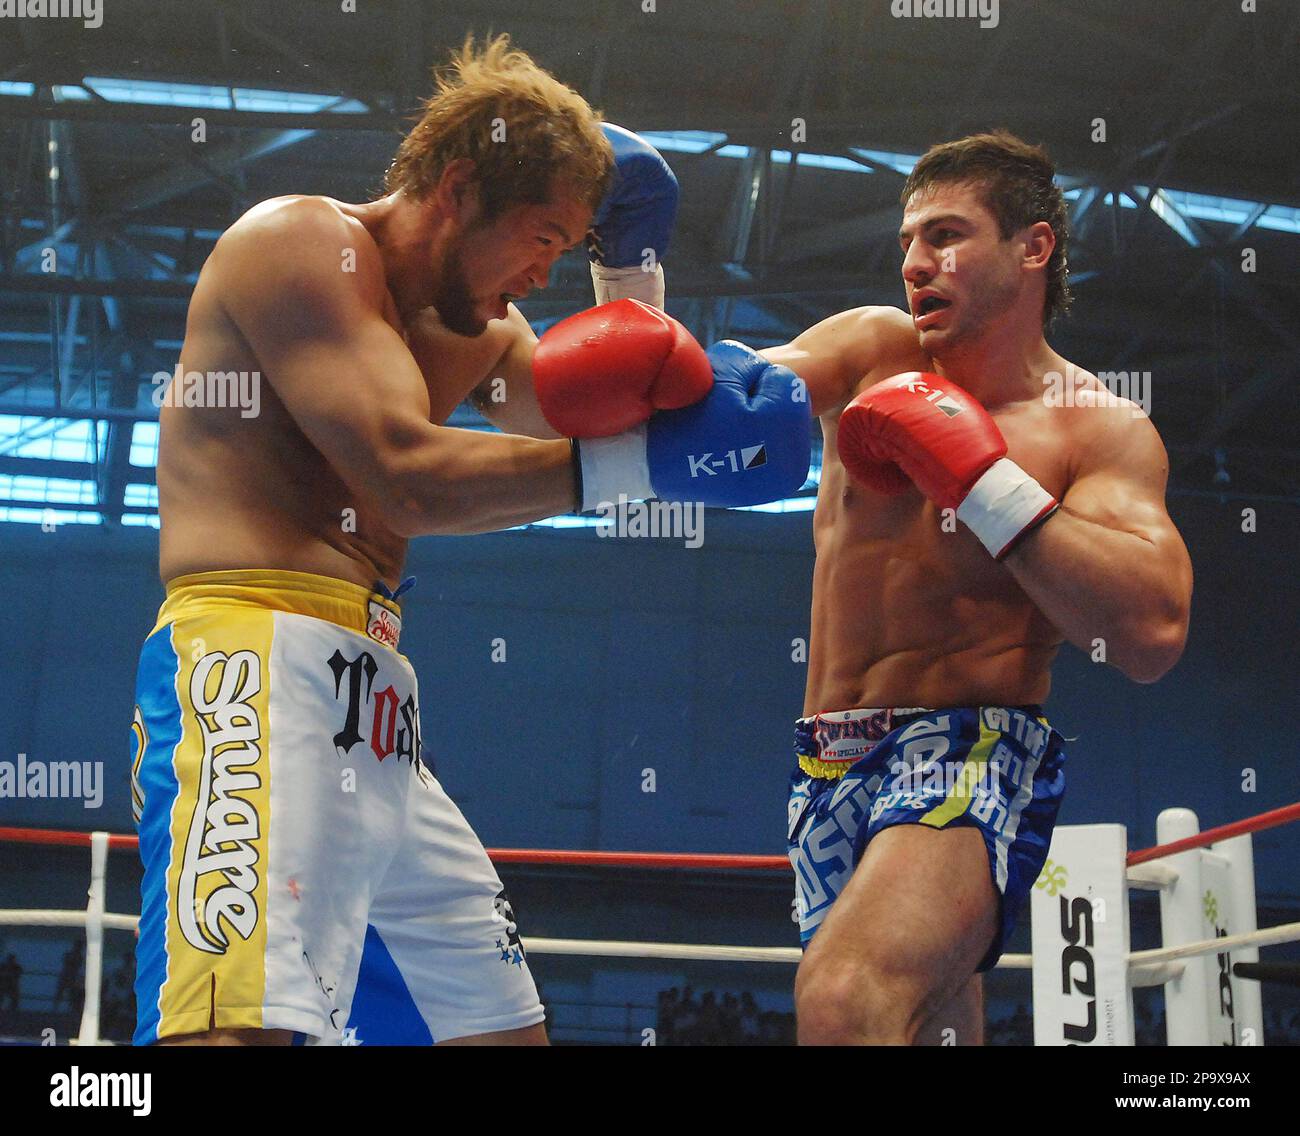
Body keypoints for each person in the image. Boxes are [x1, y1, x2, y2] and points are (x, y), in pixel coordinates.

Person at [129, 34, 809, 1047]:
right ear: (455, 188)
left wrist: (636, 283)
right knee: (235, 1030)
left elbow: (605, 415)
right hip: (252, 654)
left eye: (568, 243)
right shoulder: (303, 246)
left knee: (493, 1033)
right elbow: (407, 476)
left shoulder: (475, 330)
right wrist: (654, 465)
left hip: (383, 702)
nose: (543, 271)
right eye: (542, 234)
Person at [758, 130, 1193, 1045]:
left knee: (846, 999)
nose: (917, 262)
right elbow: (731, 406)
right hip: (825, 760)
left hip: (967, 754)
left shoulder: (1096, 428)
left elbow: (1150, 635)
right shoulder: (873, 352)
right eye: (909, 240)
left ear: (1033, 248)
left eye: (947, 235)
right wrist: (630, 304)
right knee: (923, 1023)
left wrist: (986, 486)